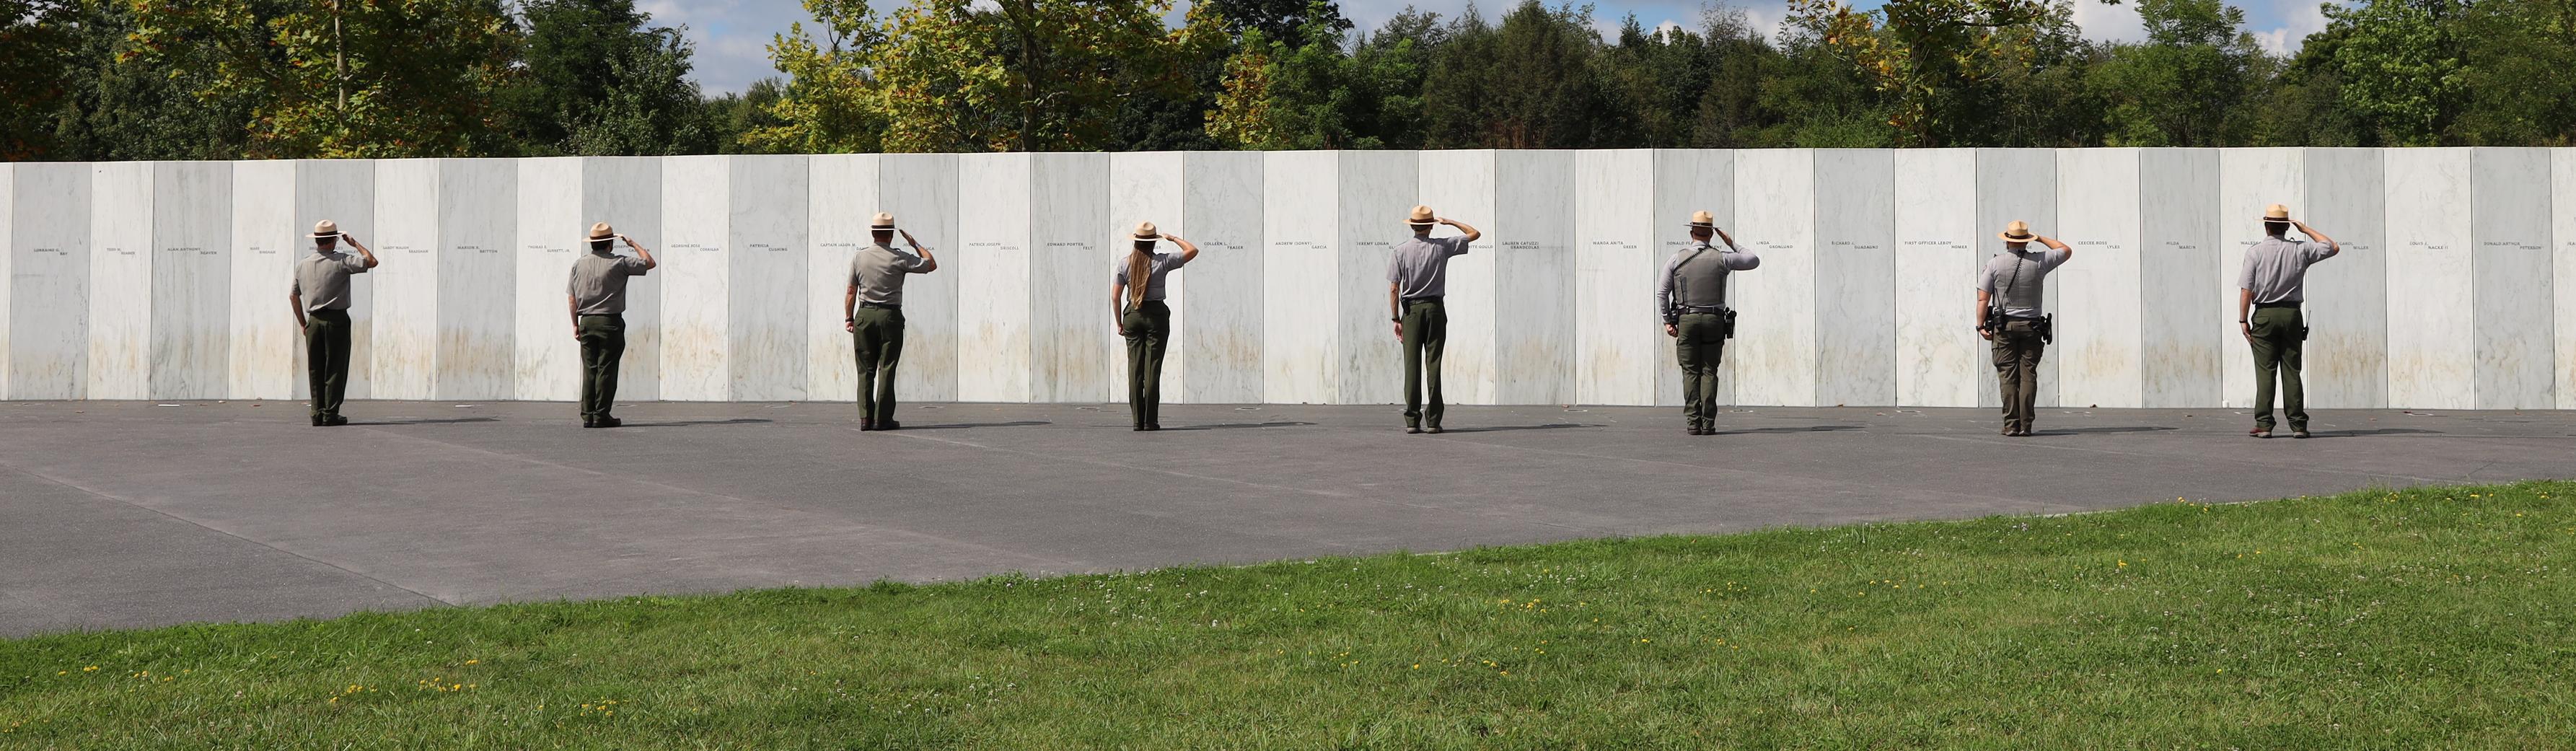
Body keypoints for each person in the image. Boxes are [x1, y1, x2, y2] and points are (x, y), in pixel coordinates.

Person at [2237, 203, 2340, 439]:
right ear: (2286, 227)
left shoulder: (2254, 253)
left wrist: (2243, 320)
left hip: (2264, 315)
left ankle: (2264, 424)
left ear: (2266, 226)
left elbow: (2246, 291)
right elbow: (2332, 247)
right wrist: (2304, 229)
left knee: (2265, 372)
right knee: (2292, 371)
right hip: (2292, 315)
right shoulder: (2300, 250)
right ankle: (2298, 425)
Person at [1658, 210, 1760, 436]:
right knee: (1709, 371)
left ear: (1691, 231)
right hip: (1714, 319)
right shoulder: (1723, 258)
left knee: (1690, 371)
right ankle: (1708, 423)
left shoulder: (1676, 258)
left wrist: (1667, 321)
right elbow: (1753, 260)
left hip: (1687, 319)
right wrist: (1731, 242)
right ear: (1711, 235)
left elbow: (1662, 293)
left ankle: (1693, 423)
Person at [1974, 220, 2074, 437]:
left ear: (2007, 242)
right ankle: (2026, 426)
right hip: (2032, 328)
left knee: (2007, 376)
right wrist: (2040, 238)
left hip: (2004, 327)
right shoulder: (2040, 261)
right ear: (2027, 241)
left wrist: (1980, 326)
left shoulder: (1994, 264)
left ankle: (2011, 425)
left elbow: (1983, 299)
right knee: (2028, 375)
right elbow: (2066, 250)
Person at [1387, 205, 1481, 434]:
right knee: (1434, 364)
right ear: (1430, 226)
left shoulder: (1400, 252)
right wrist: (1449, 222)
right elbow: (1474, 233)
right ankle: (1433, 420)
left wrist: (1395, 318)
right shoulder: (1442, 247)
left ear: (1412, 226)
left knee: (1412, 366)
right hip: (1435, 309)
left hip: (1411, 312)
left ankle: (1412, 420)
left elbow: (1394, 289)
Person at [845, 211, 938, 431]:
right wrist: (914, 243)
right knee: (886, 368)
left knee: (865, 369)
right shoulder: (899, 257)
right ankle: (882, 419)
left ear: (872, 233)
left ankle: (865, 418)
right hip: (890, 317)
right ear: (891, 235)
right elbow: (931, 264)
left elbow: (851, 291)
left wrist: (849, 317)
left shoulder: (859, 257)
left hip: (864, 316)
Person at [1110, 221, 1200, 431]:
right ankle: (1150, 421)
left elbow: (1115, 297)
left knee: (1135, 369)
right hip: (1157, 316)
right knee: (1152, 369)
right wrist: (1173, 238)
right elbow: (1192, 251)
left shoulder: (1125, 264)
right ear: (1153, 243)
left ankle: (1137, 421)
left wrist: (1119, 322)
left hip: (1133, 314)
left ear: (1135, 242)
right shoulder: (1163, 261)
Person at [287, 220, 377, 426]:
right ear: (333, 241)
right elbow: (371, 261)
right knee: (335, 367)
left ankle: (316, 413)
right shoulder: (342, 260)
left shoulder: (303, 264)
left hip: (314, 322)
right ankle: (330, 413)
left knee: (315, 368)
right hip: (336, 320)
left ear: (318, 241)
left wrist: (303, 324)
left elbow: (293, 296)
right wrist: (354, 243)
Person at [566, 222, 656, 429]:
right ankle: (601, 414)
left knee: (590, 369)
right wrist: (631, 242)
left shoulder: (578, 265)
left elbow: (572, 299)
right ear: (610, 244)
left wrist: (575, 325)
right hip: (610, 322)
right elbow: (649, 263)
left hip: (586, 321)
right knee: (606, 368)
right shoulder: (619, 263)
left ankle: (587, 415)